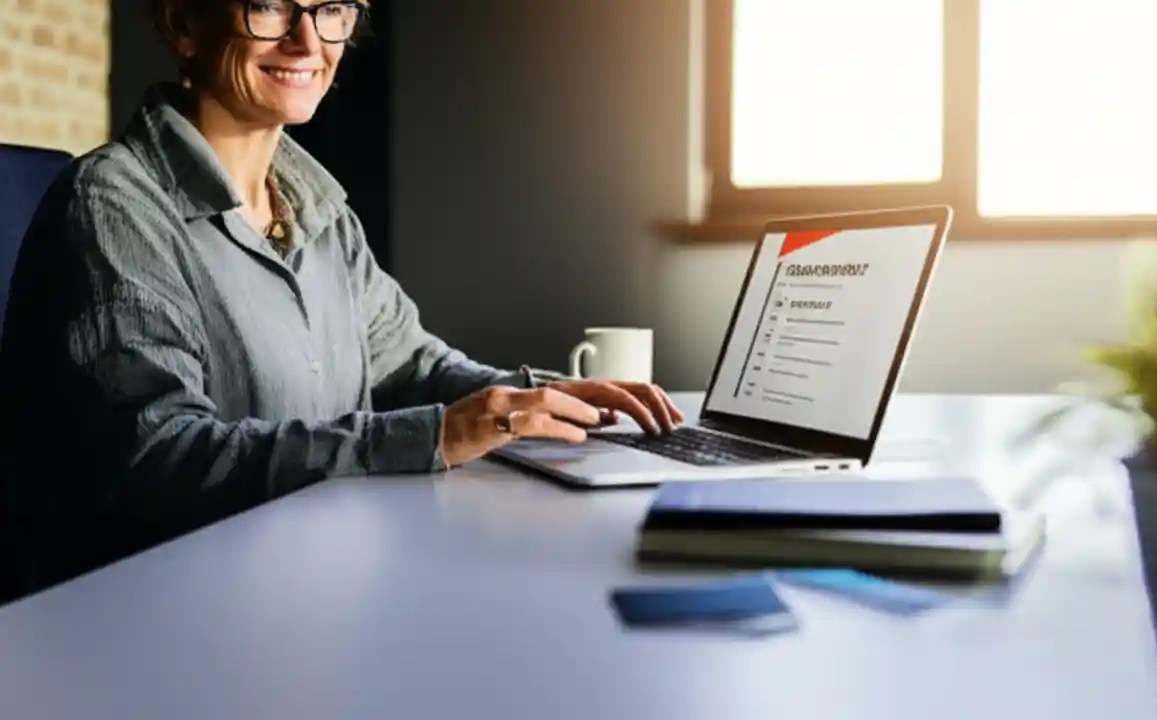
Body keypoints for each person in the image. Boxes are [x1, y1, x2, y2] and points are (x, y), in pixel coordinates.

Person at [0, 0, 683, 602]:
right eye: (270, 6)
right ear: (183, 22)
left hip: (307, 586)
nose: (307, 41)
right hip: (156, 618)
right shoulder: (111, 205)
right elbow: (162, 454)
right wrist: (433, 436)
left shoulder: (317, 209)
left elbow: (412, 367)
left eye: (332, 10)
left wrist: (541, 400)